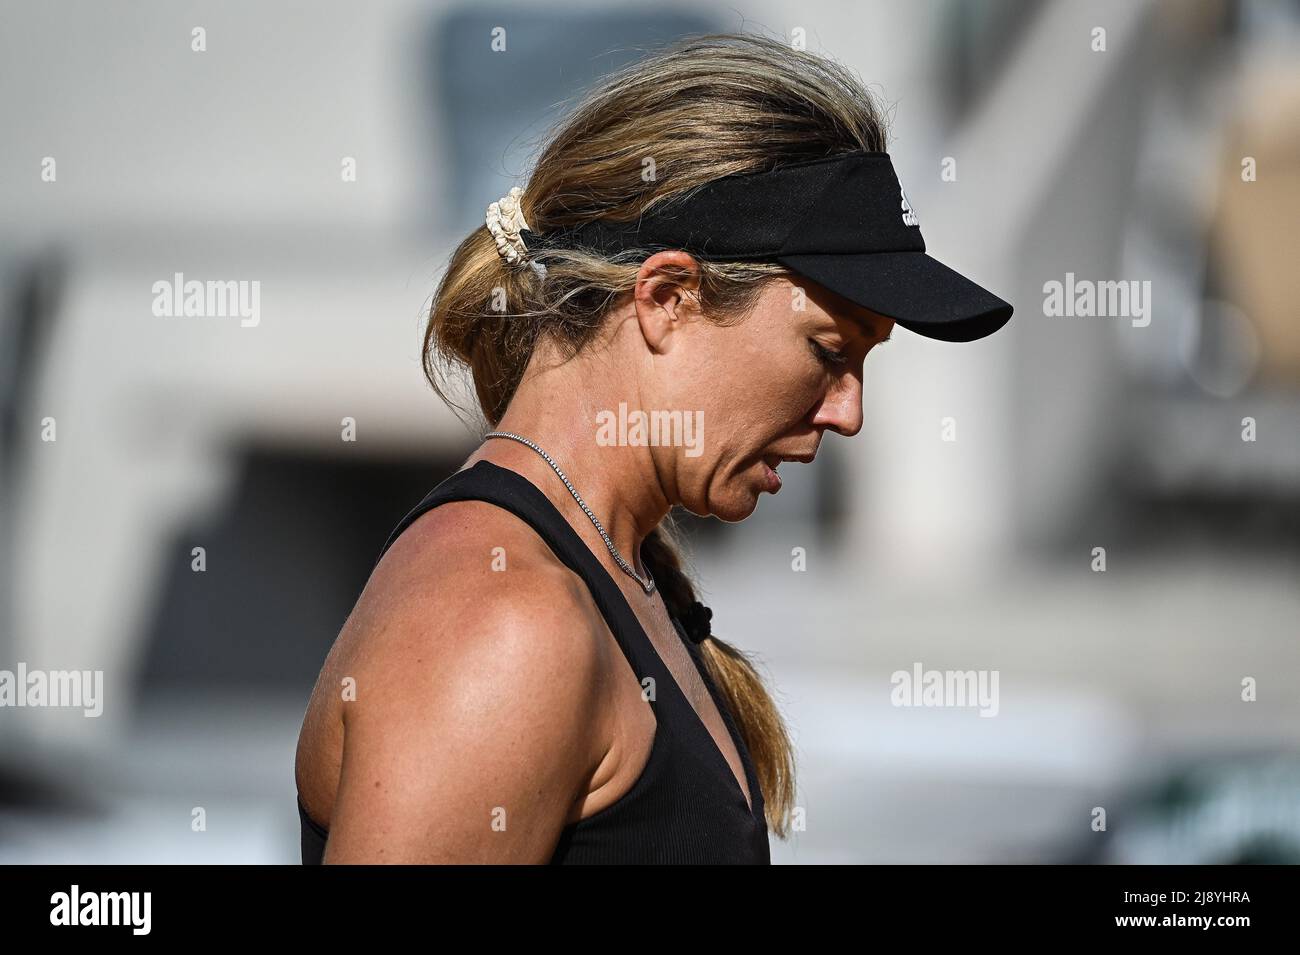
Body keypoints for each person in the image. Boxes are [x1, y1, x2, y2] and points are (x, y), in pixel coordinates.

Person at [294, 32, 1012, 864]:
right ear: (667, 298)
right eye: (828, 349)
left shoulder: (607, 575)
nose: (848, 411)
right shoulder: (503, 624)